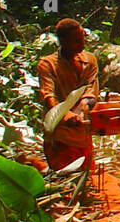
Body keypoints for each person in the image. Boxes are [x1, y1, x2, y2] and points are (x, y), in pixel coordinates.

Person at [37, 18, 100, 172]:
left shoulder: (89, 60)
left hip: (83, 134)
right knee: (67, 180)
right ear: (63, 41)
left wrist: (82, 109)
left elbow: (90, 89)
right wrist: (65, 115)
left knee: (87, 179)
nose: (83, 44)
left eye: (83, 38)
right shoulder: (47, 64)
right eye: (77, 40)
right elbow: (48, 96)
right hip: (60, 136)